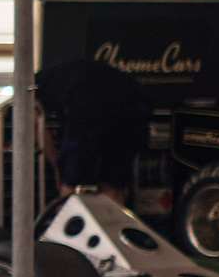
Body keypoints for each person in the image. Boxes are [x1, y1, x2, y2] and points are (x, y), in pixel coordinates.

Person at [34, 54, 152, 199]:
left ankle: (68, 209)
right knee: (113, 181)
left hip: (87, 101)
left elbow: (39, 129)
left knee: (71, 181)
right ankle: (112, 216)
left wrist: (57, 167)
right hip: (132, 99)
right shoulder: (59, 75)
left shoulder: (32, 87)